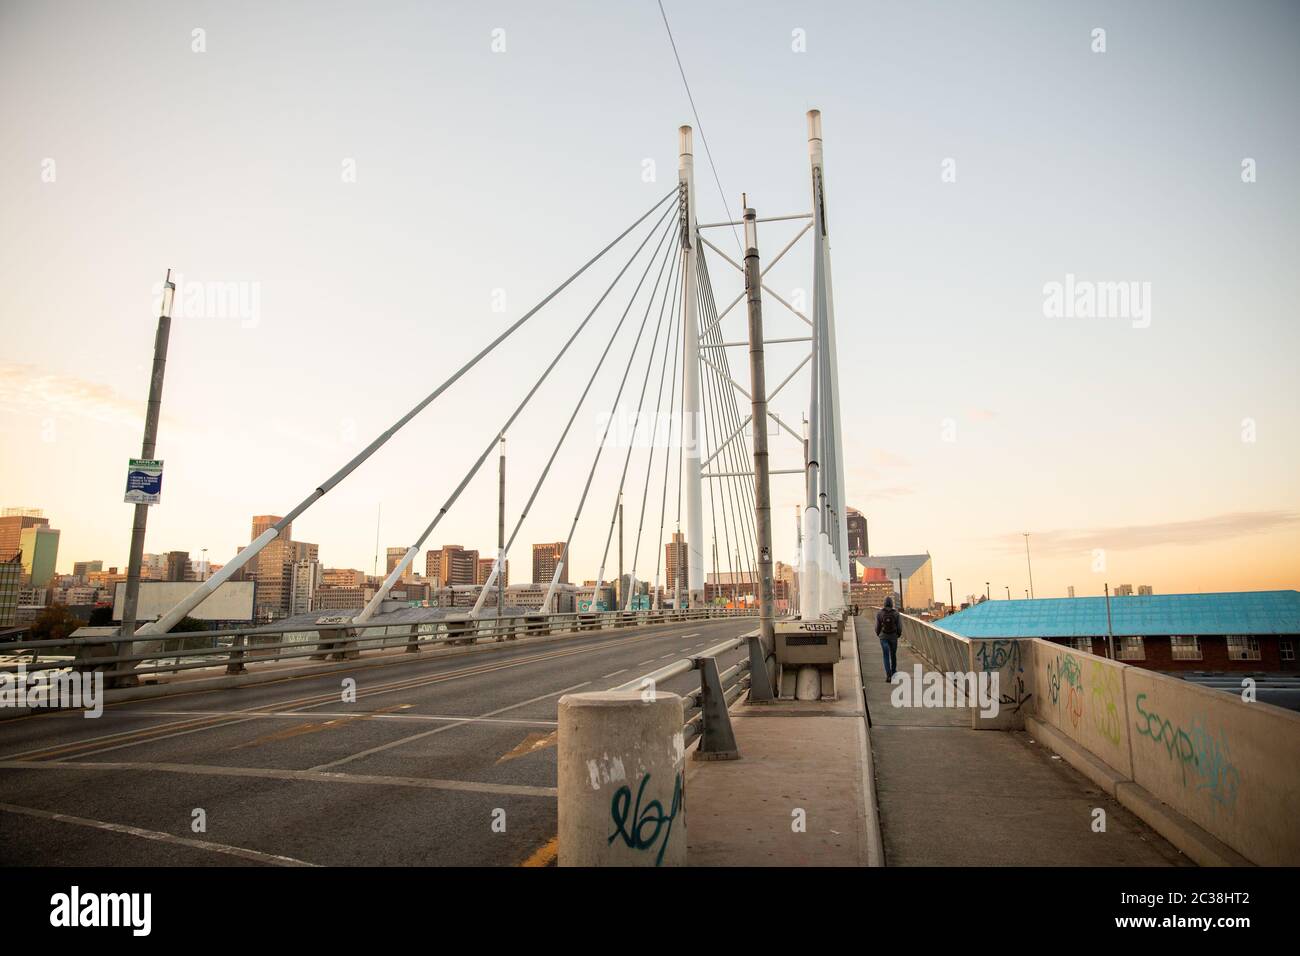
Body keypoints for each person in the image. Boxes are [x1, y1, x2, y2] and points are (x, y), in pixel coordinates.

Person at [875, 597, 902, 681]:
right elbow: (899, 627)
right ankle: (893, 672)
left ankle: (888, 675)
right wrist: (898, 634)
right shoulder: (896, 613)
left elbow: (877, 626)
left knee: (885, 655)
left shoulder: (879, 613)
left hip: (883, 637)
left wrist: (879, 634)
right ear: (892, 604)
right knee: (893, 655)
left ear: (884, 603)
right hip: (893, 637)